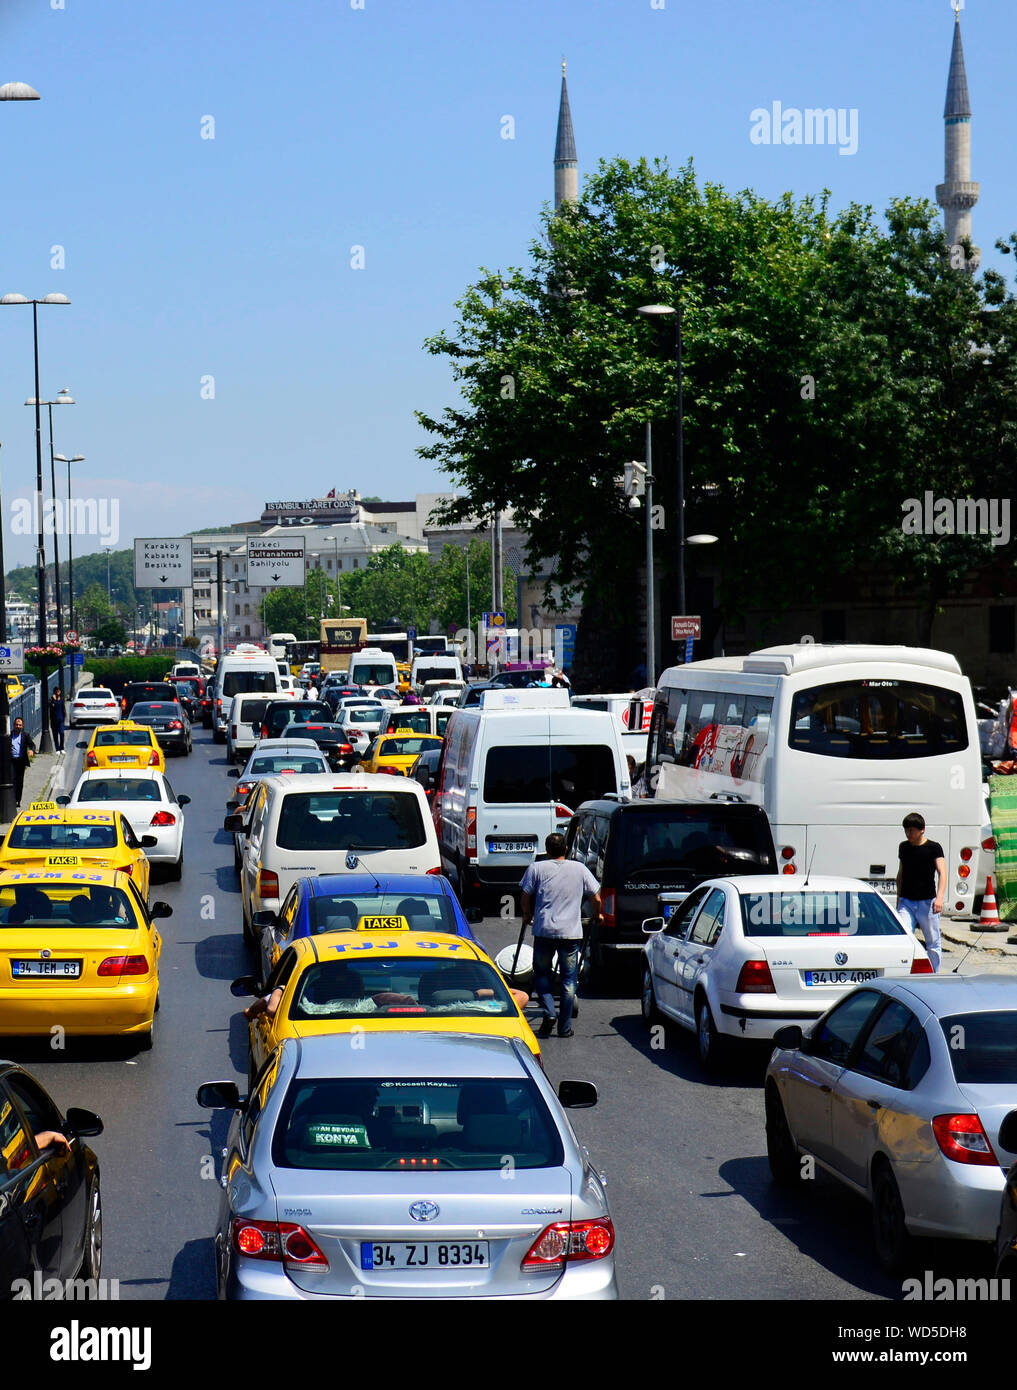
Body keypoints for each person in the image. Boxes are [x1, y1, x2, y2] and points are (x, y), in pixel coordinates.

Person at [520, 832, 602, 1039]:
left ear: (547, 850)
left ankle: (549, 1011)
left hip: (544, 931)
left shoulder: (536, 868)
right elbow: (596, 898)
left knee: (541, 974)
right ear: (566, 849)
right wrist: (597, 914)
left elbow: (525, 896)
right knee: (568, 980)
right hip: (570, 934)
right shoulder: (580, 869)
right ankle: (564, 1028)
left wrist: (527, 914)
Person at [895, 812, 946, 973]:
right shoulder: (904, 847)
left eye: (911, 830)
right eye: (906, 830)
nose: (908, 834)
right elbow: (901, 873)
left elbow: (942, 873)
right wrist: (898, 898)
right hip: (907, 901)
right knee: (904, 936)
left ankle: (933, 972)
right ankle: (906, 971)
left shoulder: (933, 847)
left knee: (932, 941)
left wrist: (939, 898)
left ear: (921, 830)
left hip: (927, 901)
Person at [8, 717, 36, 808]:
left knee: (19, 782)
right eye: (16, 725)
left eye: (20, 725)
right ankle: (12, 799)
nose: (18, 726)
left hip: (21, 761)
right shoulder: (9, 735)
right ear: (13, 725)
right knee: (12, 780)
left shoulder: (25, 735)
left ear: (22, 726)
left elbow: (32, 745)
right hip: (12, 761)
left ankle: (17, 800)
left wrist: (32, 750)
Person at [49, 688, 66, 752]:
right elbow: (52, 707)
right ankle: (57, 749)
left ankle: (62, 748)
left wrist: (64, 717)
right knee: (55, 735)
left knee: (62, 733)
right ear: (54, 692)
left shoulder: (61, 699)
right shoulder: (51, 700)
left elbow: (63, 708)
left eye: (59, 691)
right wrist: (54, 700)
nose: (58, 692)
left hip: (61, 720)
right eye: (57, 691)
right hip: (54, 721)